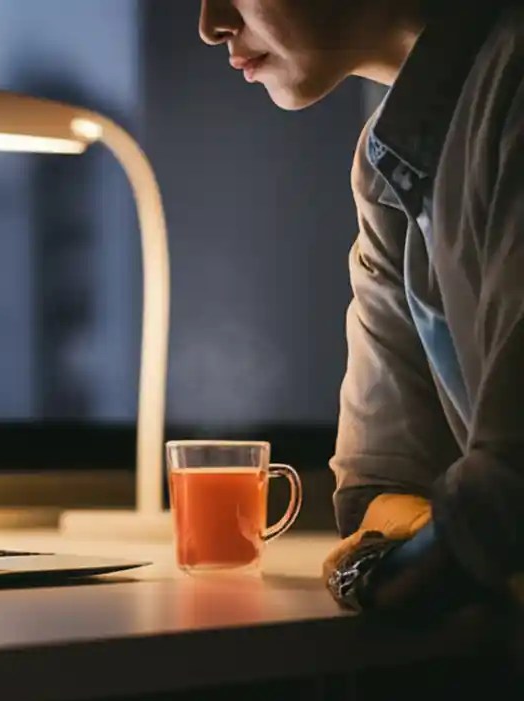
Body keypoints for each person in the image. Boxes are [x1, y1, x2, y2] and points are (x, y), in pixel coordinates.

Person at [198, 0, 524, 614]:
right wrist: (427, 539)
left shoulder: (511, 84)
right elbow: (376, 483)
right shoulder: (386, 166)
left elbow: (504, 499)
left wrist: (391, 563)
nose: (211, 23)